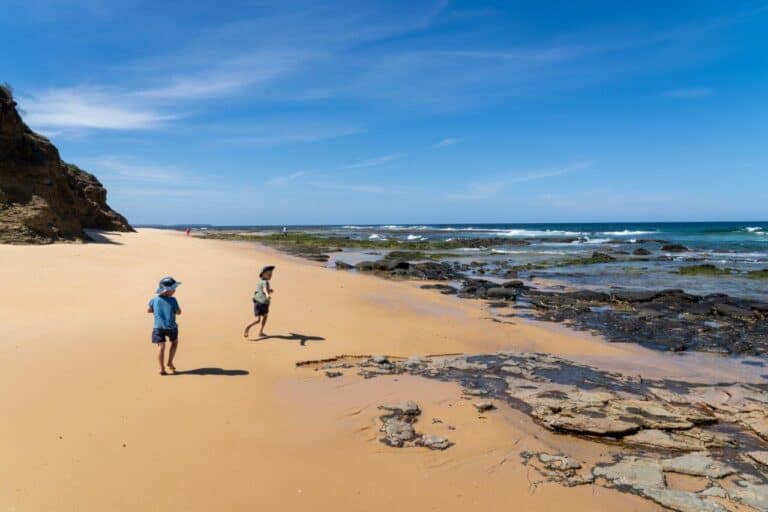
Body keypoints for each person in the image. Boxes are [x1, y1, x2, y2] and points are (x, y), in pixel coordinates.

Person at [148, 276, 182, 375]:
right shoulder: (173, 300)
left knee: (161, 346)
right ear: (167, 290)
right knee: (174, 342)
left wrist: (156, 310)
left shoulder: (154, 300)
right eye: (173, 289)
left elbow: (149, 310)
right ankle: (170, 362)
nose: (175, 290)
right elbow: (179, 312)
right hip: (171, 327)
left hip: (158, 327)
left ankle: (161, 368)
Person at [244, 265, 275, 338]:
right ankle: (253, 330)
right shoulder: (265, 282)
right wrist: (267, 294)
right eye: (269, 274)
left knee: (260, 318)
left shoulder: (260, 281)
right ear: (263, 274)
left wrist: (269, 290)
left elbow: (261, 290)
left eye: (271, 274)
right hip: (262, 303)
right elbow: (264, 289)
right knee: (262, 318)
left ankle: (255, 330)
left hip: (258, 302)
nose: (270, 276)